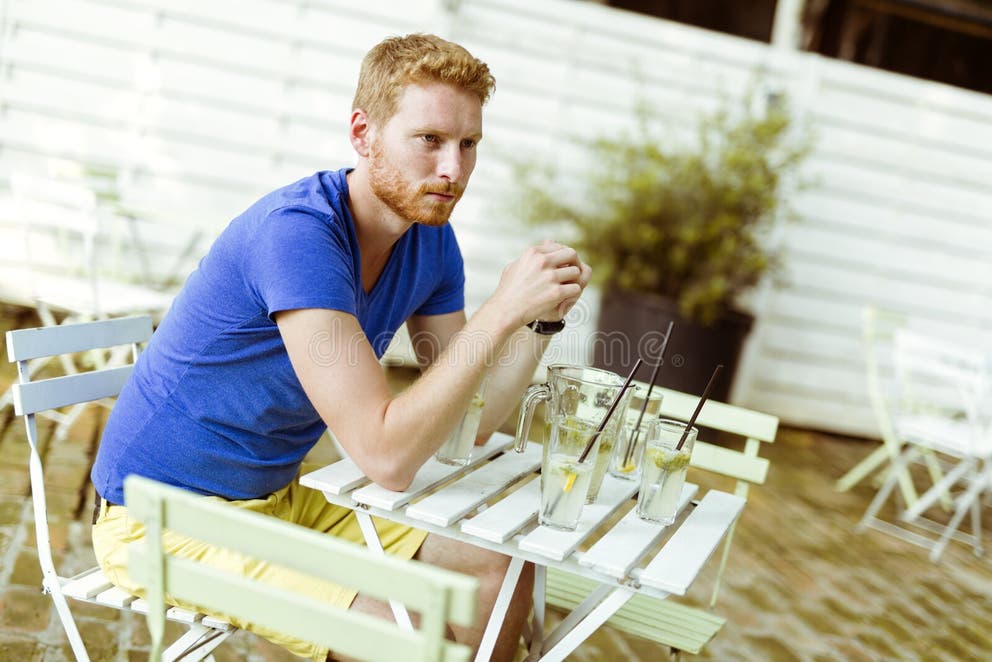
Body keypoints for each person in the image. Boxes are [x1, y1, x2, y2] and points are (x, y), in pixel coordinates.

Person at [90, 33, 591, 662]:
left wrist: (536, 325)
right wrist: (499, 311)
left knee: (502, 563)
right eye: (430, 140)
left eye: (468, 145)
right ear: (363, 133)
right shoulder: (299, 237)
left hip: (278, 502)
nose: (453, 170)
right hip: (161, 519)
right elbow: (385, 456)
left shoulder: (430, 241)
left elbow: (470, 424)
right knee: (418, 640)